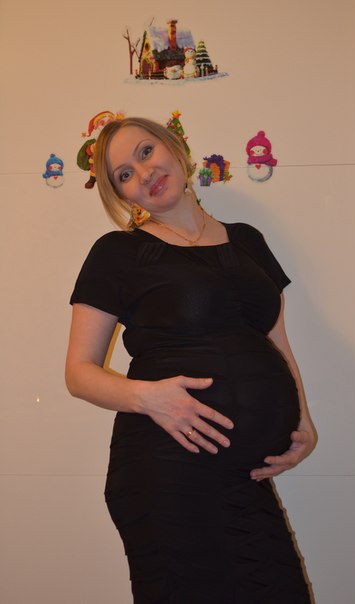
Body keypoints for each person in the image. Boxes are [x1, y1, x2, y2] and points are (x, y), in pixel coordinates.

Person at [65, 116, 317, 603]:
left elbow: (275, 340)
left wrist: (302, 419)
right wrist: (149, 398)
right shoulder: (118, 253)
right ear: (122, 196)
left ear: (173, 147)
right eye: (124, 174)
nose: (144, 173)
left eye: (146, 152)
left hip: (245, 476)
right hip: (168, 472)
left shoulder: (247, 240)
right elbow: (78, 373)